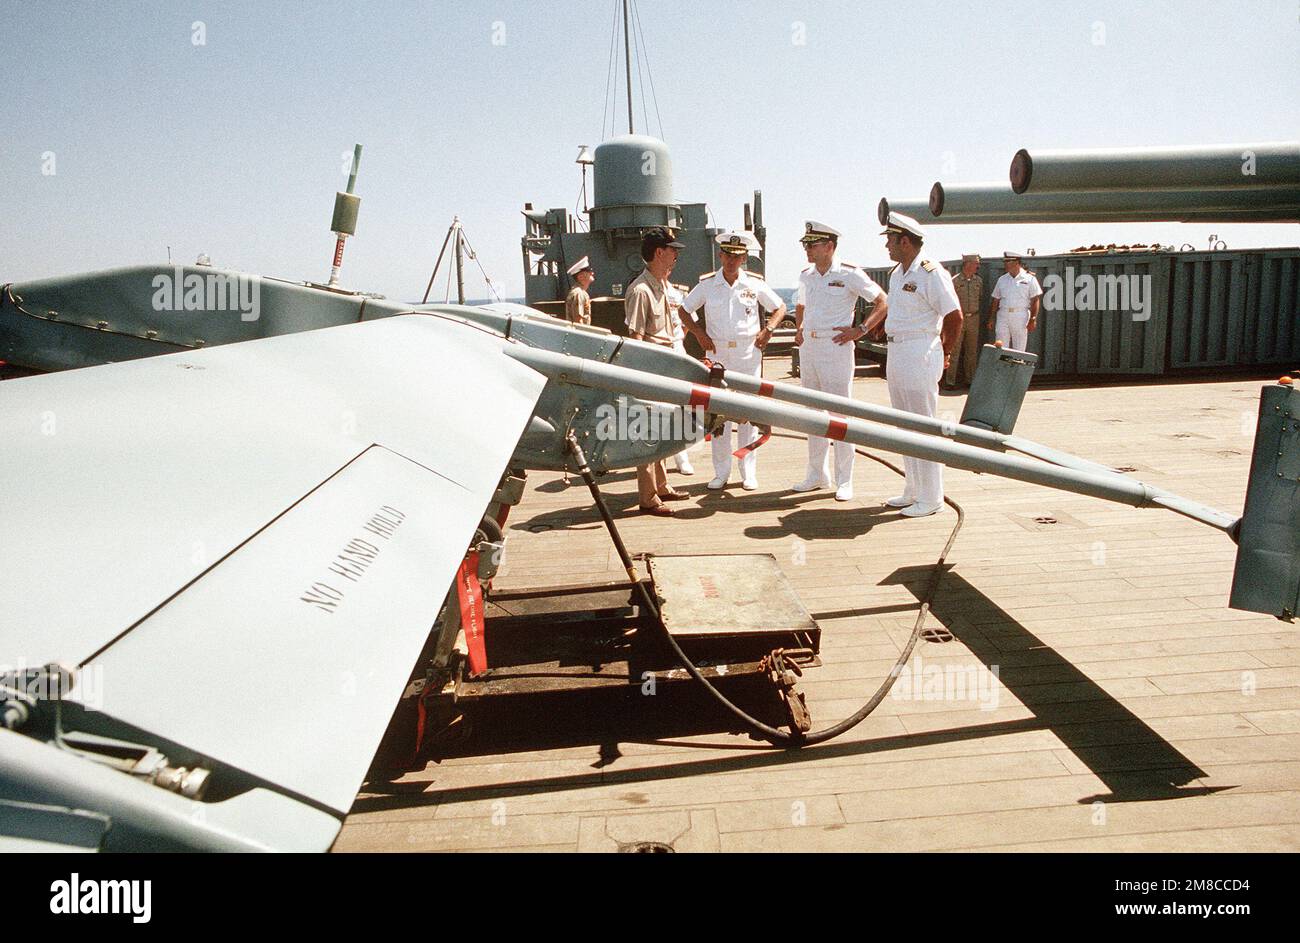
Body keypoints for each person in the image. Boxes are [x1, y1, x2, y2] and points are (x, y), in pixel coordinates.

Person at [859, 211, 962, 518]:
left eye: (890, 240)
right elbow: (900, 310)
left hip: (921, 351)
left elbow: (954, 317)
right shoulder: (897, 274)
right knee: (904, 424)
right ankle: (913, 489)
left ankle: (932, 497)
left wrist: (945, 353)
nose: (886, 245)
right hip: (898, 351)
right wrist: (883, 326)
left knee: (924, 426)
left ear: (905, 240)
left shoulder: (932, 273)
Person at [678, 231, 787, 492]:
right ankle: (721, 472)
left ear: (744, 258)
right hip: (718, 355)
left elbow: (780, 307)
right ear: (720, 255)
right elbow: (683, 310)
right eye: (727, 255)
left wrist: (768, 329)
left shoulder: (754, 284)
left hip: (748, 354)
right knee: (718, 417)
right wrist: (699, 333)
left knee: (748, 413)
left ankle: (748, 471)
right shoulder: (707, 285)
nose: (731, 260)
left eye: (737, 256)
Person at [791, 220, 887, 501]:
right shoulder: (807, 275)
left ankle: (845, 479)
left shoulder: (849, 274)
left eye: (813, 244)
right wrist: (799, 328)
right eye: (806, 244)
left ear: (829, 247)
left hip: (836, 348)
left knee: (841, 414)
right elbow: (802, 304)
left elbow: (882, 300)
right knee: (812, 413)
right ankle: (817, 474)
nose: (807, 249)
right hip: (810, 347)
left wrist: (861, 330)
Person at [624, 227, 691, 516]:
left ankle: (662, 485)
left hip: (668, 366)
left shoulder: (663, 285)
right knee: (648, 432)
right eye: (672, 250)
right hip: (651, 369)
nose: (676, 255)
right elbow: (635, 338)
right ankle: (648, 496)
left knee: (664, 429)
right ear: (658, 253)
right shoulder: (640, 290)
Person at [666, 281, 697, 476]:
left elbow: (688, 321)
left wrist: (678, 339)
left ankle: (681, 457)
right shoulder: (642, 290)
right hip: (656, 349)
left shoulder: (677, 294)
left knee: (680, 405)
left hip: (676, 348)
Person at [988, 251, 1042, 351]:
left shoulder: (1030, 279)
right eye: (1005, 261)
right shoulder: (1002, 279)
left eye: (1008, 261)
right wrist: (991, 318)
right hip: (1003, 315)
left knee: (1019, 347)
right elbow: (995, 300)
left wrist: (1033, 319)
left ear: (1017, 262)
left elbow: (1035, 300)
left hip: (1020, 315)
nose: (1005, 264)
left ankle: (1017, 367)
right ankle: (1001, 366)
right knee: (1000, 346)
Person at [944, 254, 983, 388]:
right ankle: (949, 381)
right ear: (967, 264)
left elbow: (980, 298)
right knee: (954, 350)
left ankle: (970, 380)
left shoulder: (978, 281)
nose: (978, 266)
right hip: (958, 319)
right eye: (976, 263)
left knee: (971, 351)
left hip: (973, 318)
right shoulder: (954, 281)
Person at [564, 256, 594, 325]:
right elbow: (578, 320)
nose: (592, 273)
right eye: (588, 271)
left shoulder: (581, 292)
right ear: (580, 277)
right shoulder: (578, 293)